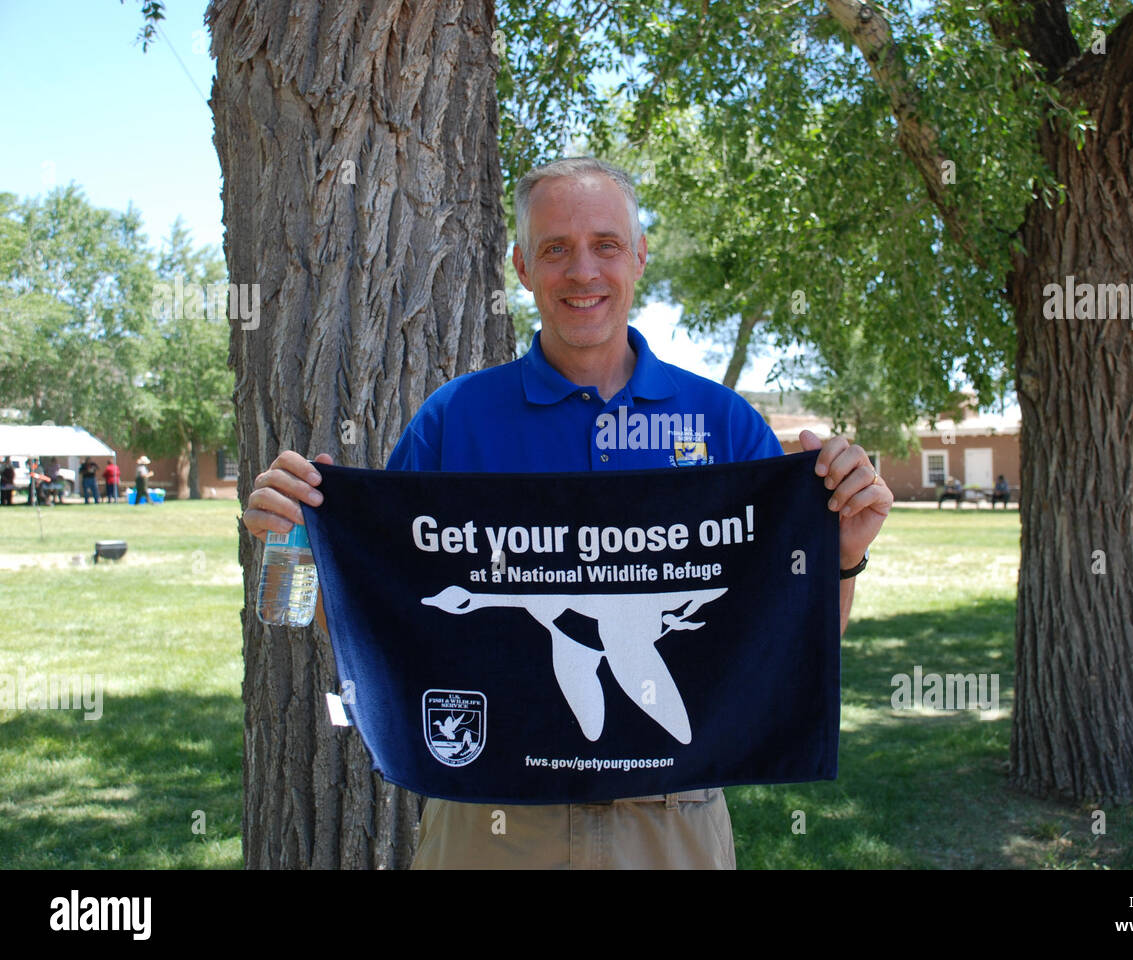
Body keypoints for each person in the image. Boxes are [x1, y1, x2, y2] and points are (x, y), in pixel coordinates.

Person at [241, 157, 894, 870]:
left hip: (671, 820)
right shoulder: (454, 422)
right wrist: (309, 541)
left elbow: (785, 645)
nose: (583, 271)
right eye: (556, 249)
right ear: (522, 267)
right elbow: (384, 633)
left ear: (640, 257)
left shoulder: (724, 424)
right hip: (489, 822)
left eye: (606, 245)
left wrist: (844, 554)